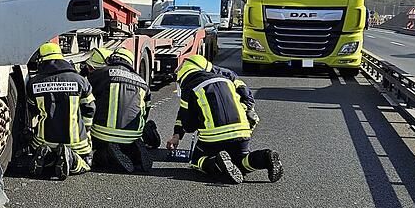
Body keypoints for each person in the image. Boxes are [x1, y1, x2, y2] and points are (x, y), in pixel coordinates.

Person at [165, 55, 281, 184]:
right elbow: (244, 96)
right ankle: (265, 157)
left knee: (196, 161)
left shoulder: (189, 86)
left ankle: (216, 162)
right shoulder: (225, 79)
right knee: (241, 161)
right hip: (242, 132)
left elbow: (188, 124)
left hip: (214, 137)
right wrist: (246, 109)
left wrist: (190, 126)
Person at [26, 42, 96, 179]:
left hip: (44, 139)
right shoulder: (80, 80)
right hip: (76, 141)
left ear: (41, 61)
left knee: (42, 146)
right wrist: (86, 129)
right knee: (87, 163)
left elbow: (31, 110)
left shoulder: (34, 83)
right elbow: (90, 107)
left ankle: (46, 157)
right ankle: (72, 159)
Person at [87, 48, 159, 173]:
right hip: (133, 134)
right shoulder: (142, 82)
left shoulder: (101, 74)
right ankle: (133, 152)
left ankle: (106, 155)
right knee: (127, 141)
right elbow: (146, 111)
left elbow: (86, 99)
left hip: (102, 134)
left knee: (96, 155)